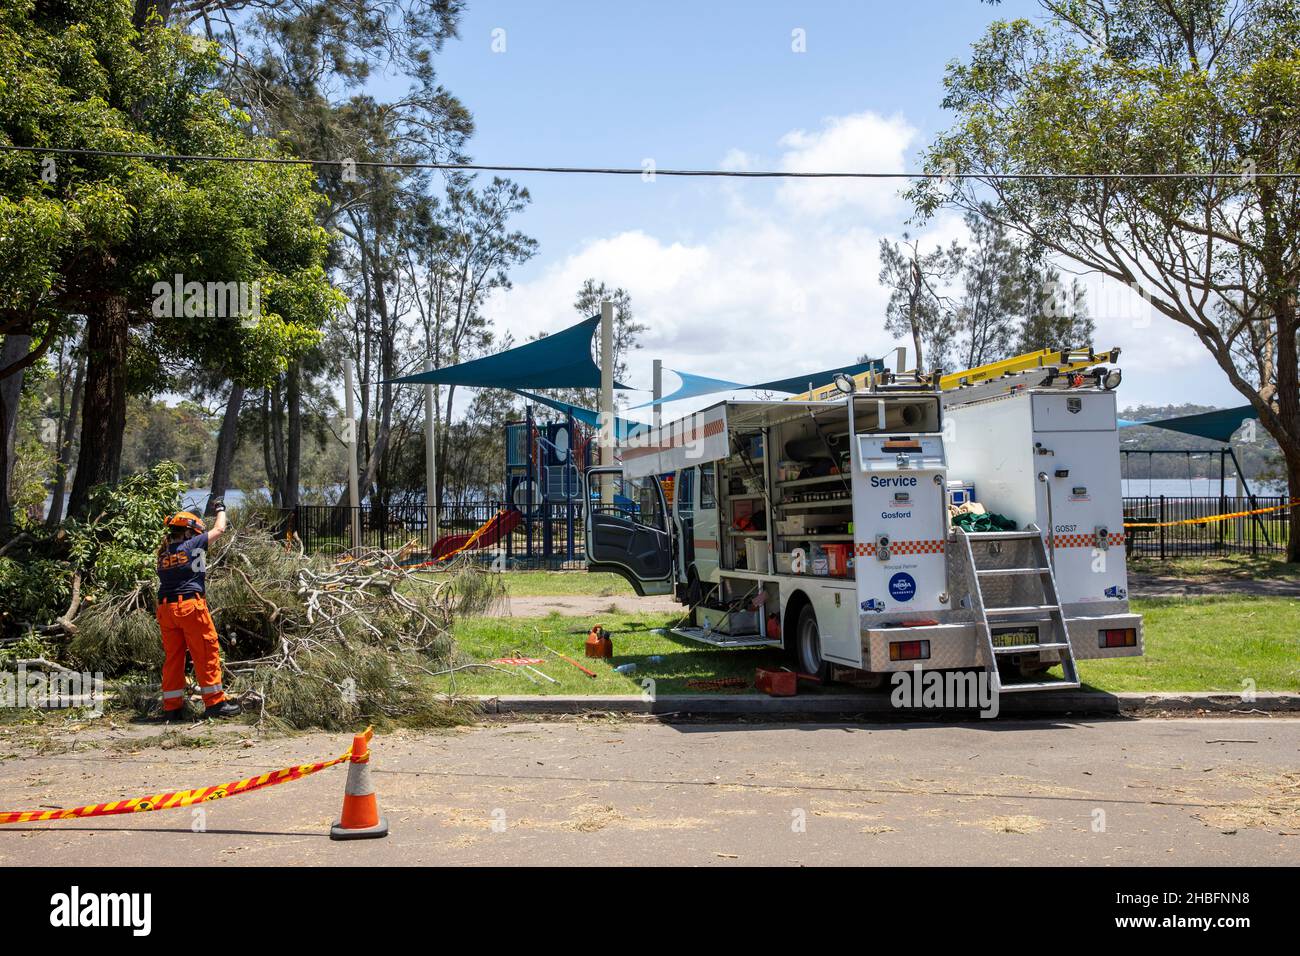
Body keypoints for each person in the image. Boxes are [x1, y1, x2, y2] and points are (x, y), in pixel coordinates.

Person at [155, 499, 240, 720]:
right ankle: (215, 704)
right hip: (189, 607)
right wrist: (221, 508)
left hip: (166, 609)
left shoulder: (163, 554)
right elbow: (220, 528)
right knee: (206, 652)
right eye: (194, 533)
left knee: (173, 658)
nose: (196, 537)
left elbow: (191, 567)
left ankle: (171, 708)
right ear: (187, 532)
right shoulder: (190, 545)